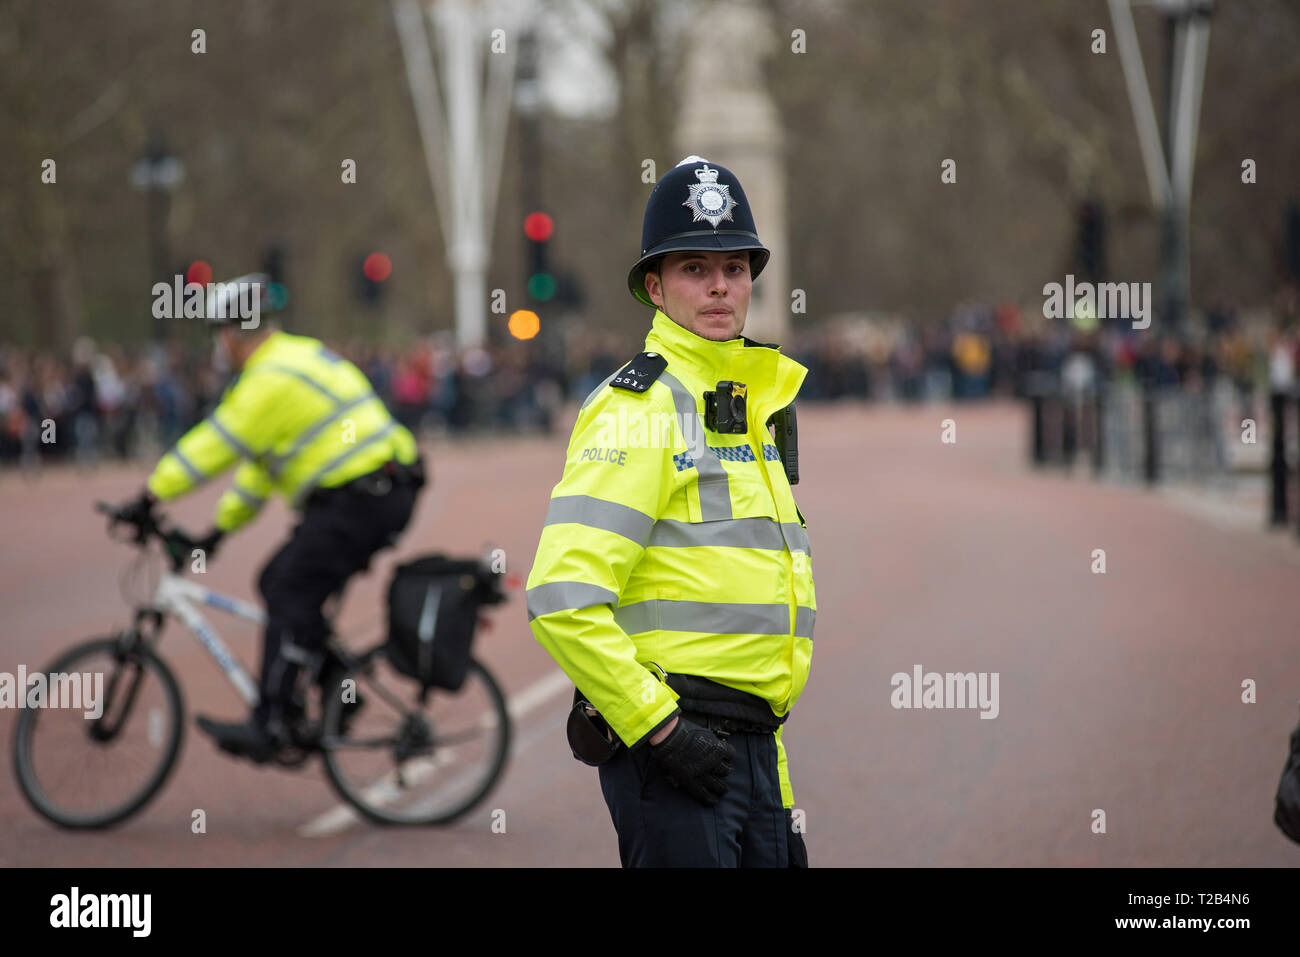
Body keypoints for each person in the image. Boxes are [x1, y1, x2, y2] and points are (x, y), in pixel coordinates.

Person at [526, 156, 815, 866]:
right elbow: (562, 597)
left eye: (735, 267)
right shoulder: (640, 409)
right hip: (675, 748)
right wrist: (659, 729)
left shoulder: (751, 404)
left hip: (754, 748)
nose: (720, 285)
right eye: (694, 268)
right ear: (654, 287)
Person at [113, 274, 425, 762]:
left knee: (288, 588)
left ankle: (271, 722)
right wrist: (217, 531)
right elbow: (258, 474)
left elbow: (215, 445)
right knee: (280, 582)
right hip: (376, 491)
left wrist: (150, 494)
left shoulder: (268, 379)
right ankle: (335, 688)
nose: (220, 345)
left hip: (363, 496)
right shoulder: (294, 357)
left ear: (233, 332)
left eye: (219, 332)